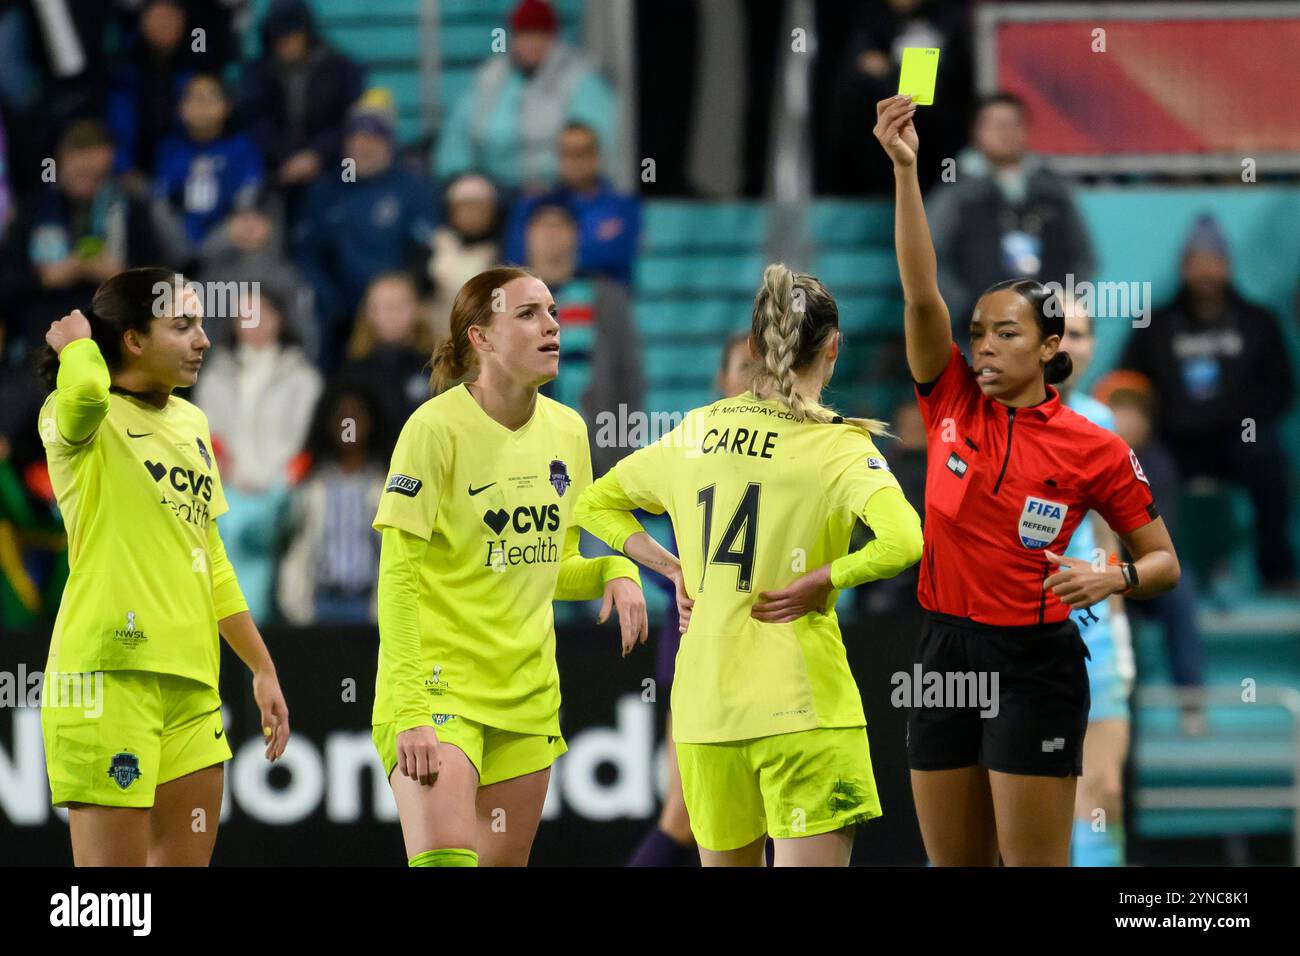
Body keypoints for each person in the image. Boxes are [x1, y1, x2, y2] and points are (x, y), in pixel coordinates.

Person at [873, 94, 1179, 865]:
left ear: (1050, 348)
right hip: (942, 653)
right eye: (976, 333)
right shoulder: (947, 397)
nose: (982, 346)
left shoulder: (1094, 446)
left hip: (1036, 663)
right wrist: (907, 171)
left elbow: (1163, 563)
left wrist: (1111, 576)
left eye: (1004, 333)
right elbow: (920, 290)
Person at [575, 265, 925, 866]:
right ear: (833, 348)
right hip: (803, 710)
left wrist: (670, 568)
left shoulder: (696, 431)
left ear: (757, 347)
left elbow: (592, 503)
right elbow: (904, 541)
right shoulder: (838, 445)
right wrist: (826, 578)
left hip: (708, 712)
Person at [372, 266, 648, 866]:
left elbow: (554, 568)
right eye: (527, 314)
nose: (551, 326)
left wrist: (613, 572)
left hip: (527, 696)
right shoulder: (433, 428)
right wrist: (412, 711)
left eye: (551, 312)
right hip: (439, 691)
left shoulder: (569, 431)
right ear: (482, 339)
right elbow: (395, 578)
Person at [36, 267, 289, 866]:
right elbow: (87, 393)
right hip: (107, 679)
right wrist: (76, 344)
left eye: (201, 323)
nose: (204, 339)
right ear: (132, 340)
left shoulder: (192, 423)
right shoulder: (77, 419)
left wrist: (260, 665)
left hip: (192, 683)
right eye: (183, 326)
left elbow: (211, 559)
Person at [627, 331, 757, 867]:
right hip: (695, 647)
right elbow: (607, 504)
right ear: (721, 381)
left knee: (771, 817)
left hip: (772, 645)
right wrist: (673, 575)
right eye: (745, 368)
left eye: (767, 368)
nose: (757, 380)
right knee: (683, 816)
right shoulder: (691, 447)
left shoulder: (796, 448)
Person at [1118, 214, 1296, 591]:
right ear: (1183, 268)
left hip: (1237, 439)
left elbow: (1280, 389)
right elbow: (1129, 385)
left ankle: (1276, 569)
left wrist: (1236, 416)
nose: (1205, 270)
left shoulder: (1257, 321)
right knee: (1144, 465)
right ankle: (1151, 580)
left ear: (1227, 266)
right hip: (1175, 440)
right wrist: (1146, 422)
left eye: (1214, 260)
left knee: (1265, 453)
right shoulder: (1156, 324)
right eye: (1196, 261)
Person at [1058, 297, 1134, 866]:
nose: (1067, 344)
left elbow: (1112, 531)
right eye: (1056, 331)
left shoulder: (1102, 422)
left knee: (1101, 791)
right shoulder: (991, 417)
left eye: (1080, 333)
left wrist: (1113, 606)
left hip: (1091, 628)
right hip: (1007, 626)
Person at [926, 92, 1095, 347]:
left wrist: (1065, 305)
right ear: (976, 132)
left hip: (1045, 332)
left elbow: (1083, 256)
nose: (1006, 132)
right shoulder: (954, 194)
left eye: (1014, 124)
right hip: (973, 336)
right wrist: (967, 311)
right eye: (996, 124)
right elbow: (930, 260)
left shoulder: (1054, 190)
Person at [193, 288, 322, 621]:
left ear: (278, 320)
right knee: (228, 526)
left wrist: (275, 483)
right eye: (244, 315)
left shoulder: (303, 378)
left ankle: (273, 618)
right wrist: (231, 481)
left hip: (281, 488)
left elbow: (303, 440)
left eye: (260, 314)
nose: (251, 323)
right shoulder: (213, 375)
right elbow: (208, 437)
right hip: (228, 487)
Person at [294, 102, 438, 365]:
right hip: (340, 314)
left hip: (399, 308)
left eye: (373, 138)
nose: (363, 146)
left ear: (389, 144)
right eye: (356, 138)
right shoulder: (326, 190)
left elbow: (425, 248)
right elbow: (308, 253)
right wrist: (330, 300)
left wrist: (399, 295)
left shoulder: (412, 187)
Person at [434, 0, 619, 192]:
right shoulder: (490, 77)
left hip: (561, 190)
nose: (529, 44)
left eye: (538, 35)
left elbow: (599, 144)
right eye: (522, 35)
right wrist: (460, 179)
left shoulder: (580, 79)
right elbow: (456, 139)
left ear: (553, 38)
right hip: (496, 193)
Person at [523, 200, 643, 478]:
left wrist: (619, 450)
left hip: (595, 453)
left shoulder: (607, 297)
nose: (551, 234)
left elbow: (629, 378)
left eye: (559, 225)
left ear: (575, 234)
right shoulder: (506, 299)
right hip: (525, 449)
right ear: (528, 235)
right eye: (543, 225)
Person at [277, 386, 386, 626]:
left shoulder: (384, 484)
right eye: (342, 416)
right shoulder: (311, 484)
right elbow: (290, 535)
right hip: (319, 602)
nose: (349, 424)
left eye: (357, 416)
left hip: (367, 605)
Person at [504, 122, 641, 285]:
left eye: (582, 152)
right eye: (568, 153)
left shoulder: (623, 206)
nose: (575, 161)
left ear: (597, 156)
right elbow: (516, 255)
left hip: (605, 297)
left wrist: (551, 254)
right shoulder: (535, 205)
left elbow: (618, 254)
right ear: (558, 157)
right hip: (544, 293)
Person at [151, 73, 263, 265]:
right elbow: (161, 202)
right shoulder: (170, 149)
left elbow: (248, 197)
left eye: (211, 97)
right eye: (194, 98)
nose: (202, 105)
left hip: (226, 242)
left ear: (227, 107)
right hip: (179, 245)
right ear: (181, 109)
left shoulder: (241, 147)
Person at [336, 272, 438, 455]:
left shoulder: (439, 370)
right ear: (369, 313)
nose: (392, 313)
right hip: (371, 476)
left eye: (400, 305)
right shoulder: (350, 376)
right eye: (384, 306)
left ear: (417, 310)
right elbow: (345, 439)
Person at [426, 173, 502, 348]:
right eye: (465, 207)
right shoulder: (435, 244)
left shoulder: (501, 250)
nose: (472, 214)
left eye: (479, 207)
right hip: (436, 343)